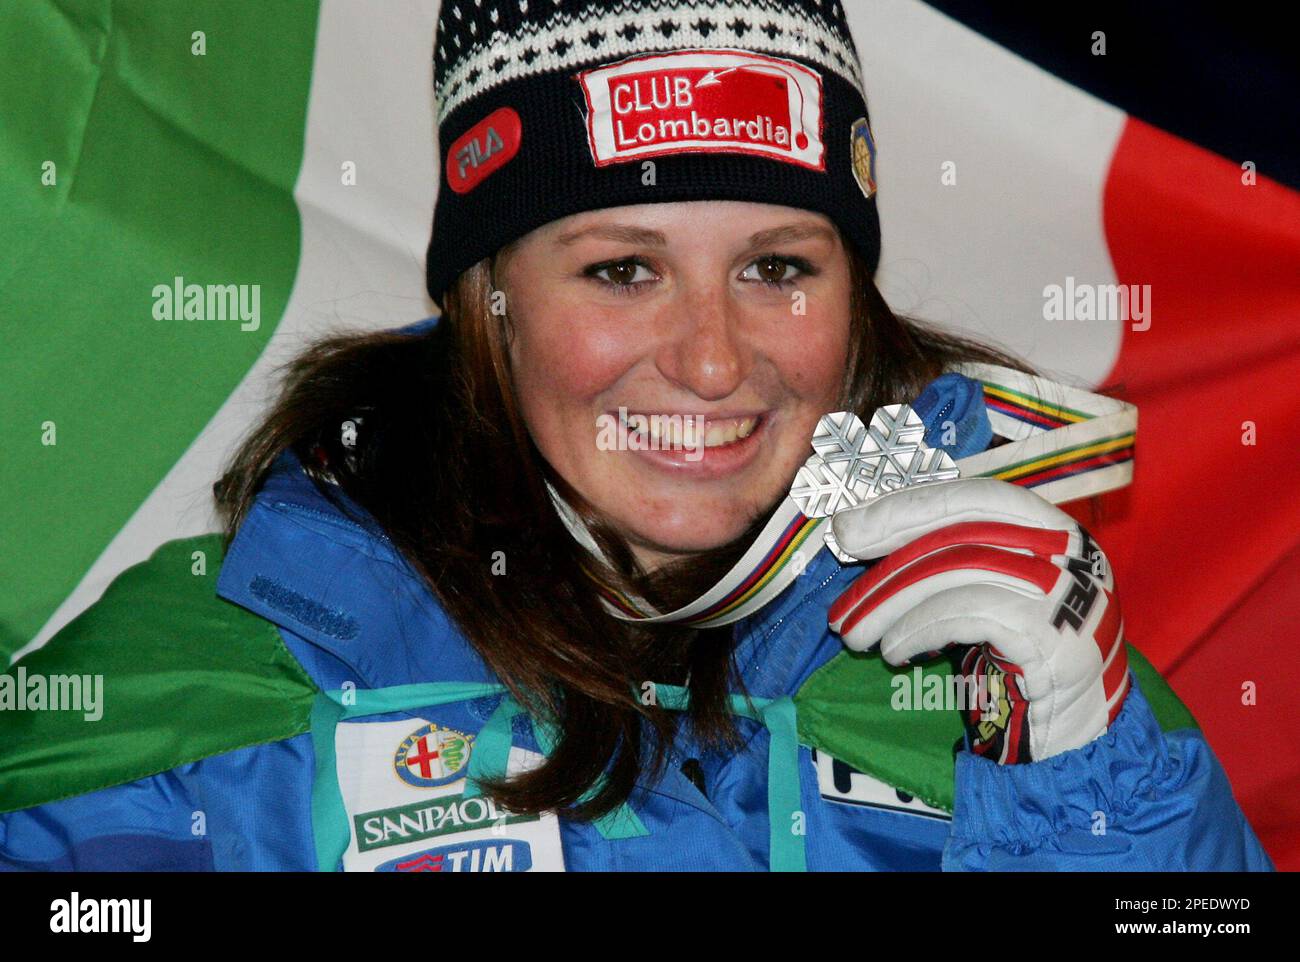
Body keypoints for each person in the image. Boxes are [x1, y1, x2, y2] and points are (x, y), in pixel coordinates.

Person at [0, 0, 1272, 872]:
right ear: (487, 300)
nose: (714, 358)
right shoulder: (214, 677)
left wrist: (1083, 792)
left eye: (778, 265)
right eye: (622, 270)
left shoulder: (1012, 661)